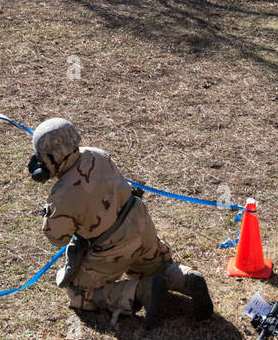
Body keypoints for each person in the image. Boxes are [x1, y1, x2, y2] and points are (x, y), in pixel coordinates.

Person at [29, 117, 213, 328]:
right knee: (155, 266)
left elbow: (57, 239)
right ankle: (187, 278)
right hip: (139, 223)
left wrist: (48, 212)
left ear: (54, 156)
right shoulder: (95, 153)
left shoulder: (61, 196)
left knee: (79, 293)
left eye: (42, 157)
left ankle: (141, 291)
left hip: (112, 245)